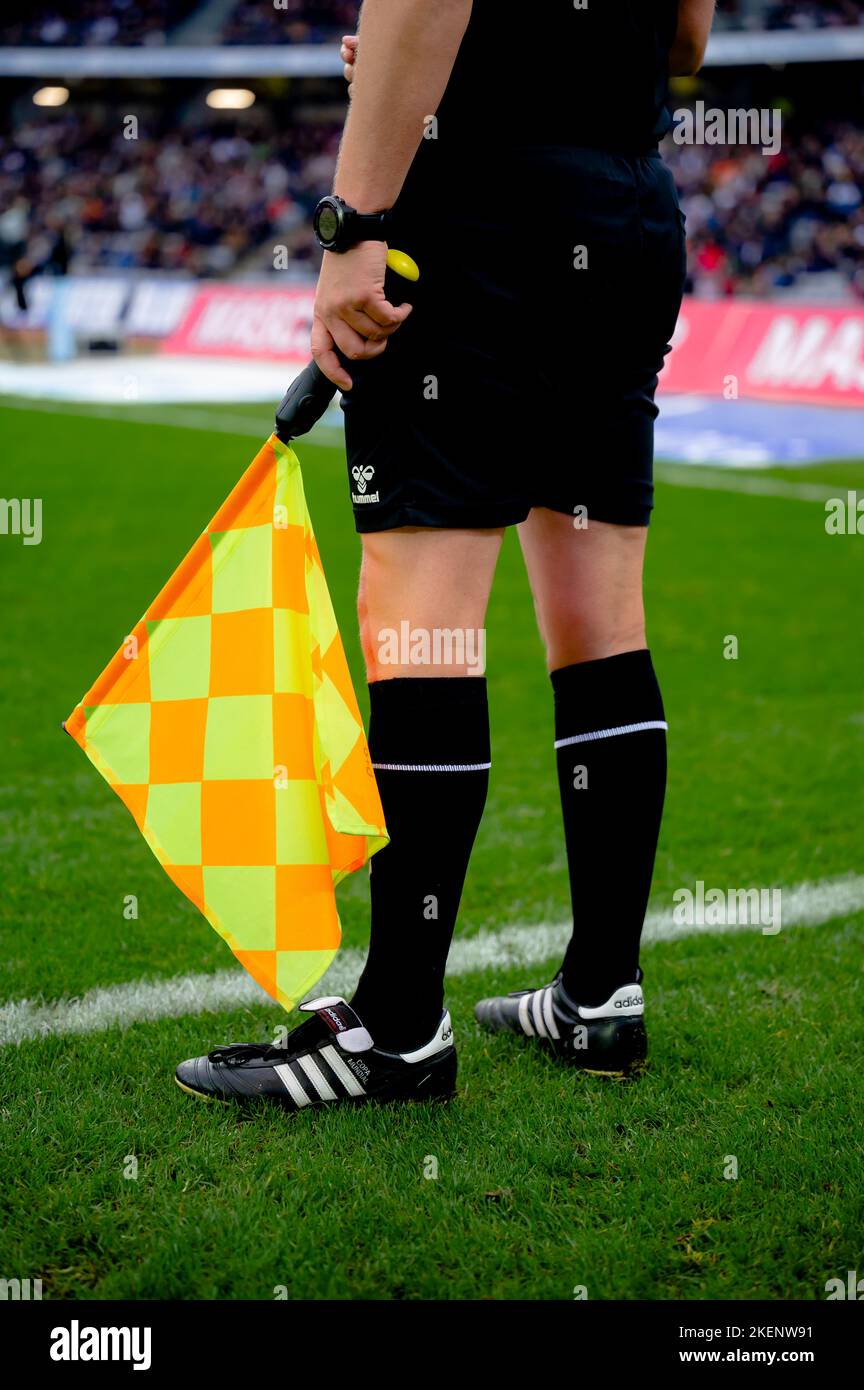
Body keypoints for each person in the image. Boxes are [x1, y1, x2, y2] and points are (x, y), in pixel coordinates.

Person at [176, 0, 716, 1110]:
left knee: (421, 602)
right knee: (603, 605)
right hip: (622, 206)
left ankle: (400, 1029)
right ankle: (600, 992)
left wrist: (354, 222)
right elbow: (684, 37)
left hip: (479, 207)